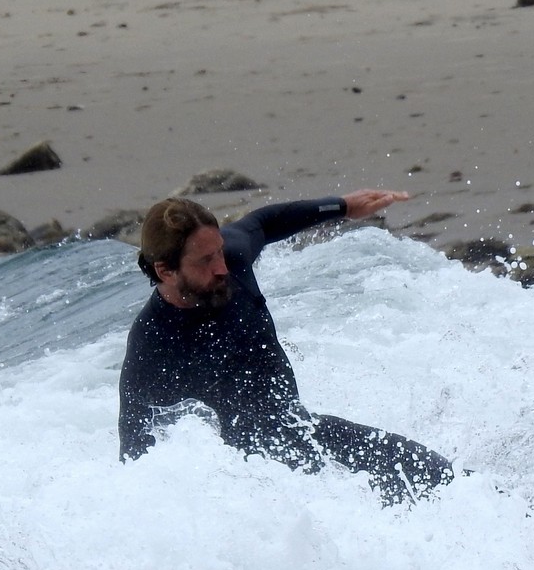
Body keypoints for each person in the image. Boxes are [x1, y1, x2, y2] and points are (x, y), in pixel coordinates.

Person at [118, 189, 455, 505]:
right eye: (205, 260)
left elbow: (264, 222)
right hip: (250, 490)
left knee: (442, 479)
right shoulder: (151, 345)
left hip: (301, 432)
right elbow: (135, 460)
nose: (221, 267)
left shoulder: (230, 263)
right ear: (165, 270)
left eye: (219, 251)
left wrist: (343, 207)